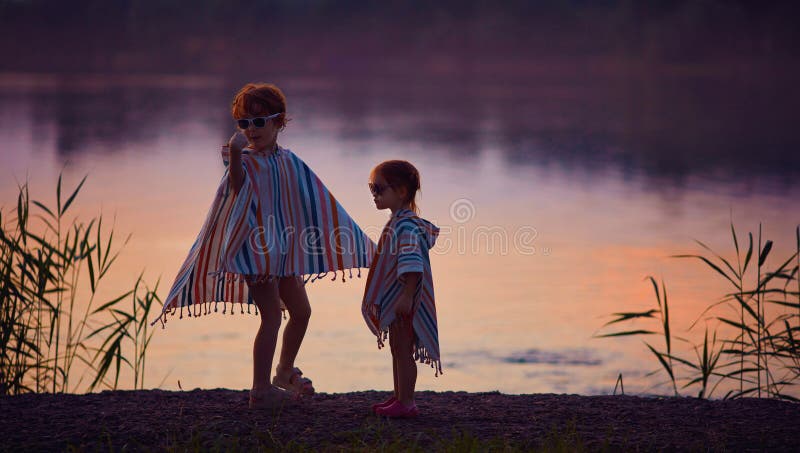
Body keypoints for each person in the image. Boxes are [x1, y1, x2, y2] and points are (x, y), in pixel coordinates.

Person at [149, 83, 377, 409]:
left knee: (301, 311)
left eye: (258, 122)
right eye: (243, 123)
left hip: (284, 254)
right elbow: (237, 187)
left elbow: (313, 202)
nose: (250, 130)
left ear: (278, 122)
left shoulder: (289, 160)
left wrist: (344, 238)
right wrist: (237, 151)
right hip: (255, 253)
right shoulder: (244, 161)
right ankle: (260, 389)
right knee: (271, 317)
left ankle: (283, 372)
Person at [361, 160, 441, 418]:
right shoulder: (398, 222)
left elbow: (412, 265)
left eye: (379, 188)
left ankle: (407, 402)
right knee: (397, 348)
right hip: (398, 298)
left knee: (404, 350)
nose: (374, 194)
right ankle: (399, 396)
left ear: (402, 191)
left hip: (404, 299)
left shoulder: (405, 226)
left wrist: (406, 296)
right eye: (371, 188)